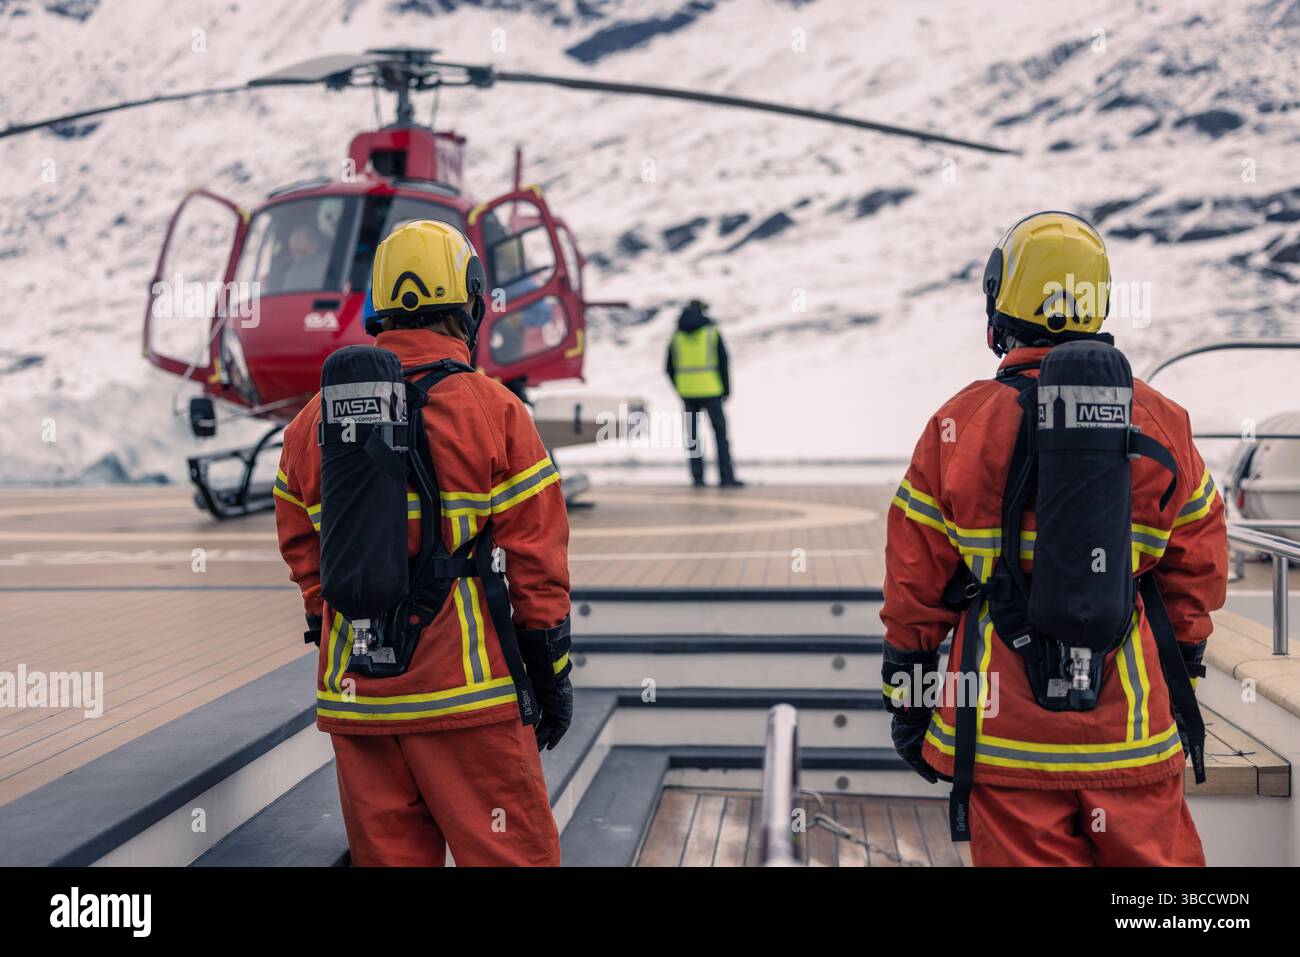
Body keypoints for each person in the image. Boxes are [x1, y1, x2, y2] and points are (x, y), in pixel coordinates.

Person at [880, 211, 1226, 866]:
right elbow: (1197, 569)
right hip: (1132, 730)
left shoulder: (959, 424)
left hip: (1006, 740)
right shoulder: (1163, 420)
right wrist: (1182, 667)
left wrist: (907, 695)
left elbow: (913, 588)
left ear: (1002, 302)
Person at [273, 220, 573, 866]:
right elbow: (537, 562)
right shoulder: (497, 413)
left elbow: (302, 549)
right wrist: (550, 673)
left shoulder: (307, 425)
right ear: (469, 303)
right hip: (469, 698)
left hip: (356, 700)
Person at [666, 299, 742, 488]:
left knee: (693, 438)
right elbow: (723, 362)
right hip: (712, 390)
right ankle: (726, 477)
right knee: (720, 435)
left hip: (687, 393)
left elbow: (668, 367)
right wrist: (726, 389)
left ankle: (697, 478)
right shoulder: (711, 332)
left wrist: (681, 388)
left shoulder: (676, 336)